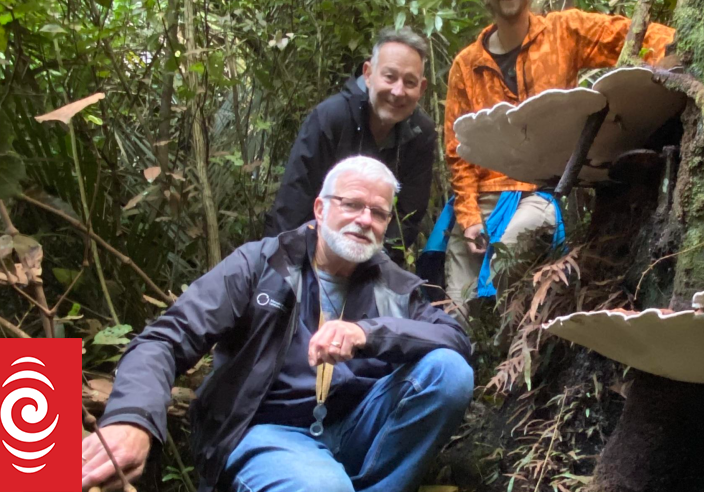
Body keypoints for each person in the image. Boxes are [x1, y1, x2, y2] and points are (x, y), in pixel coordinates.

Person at [82, 156, 473, 492]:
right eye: (351, 204)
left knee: (449, 372)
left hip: (355, 426)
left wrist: (367, 333)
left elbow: (454, 337)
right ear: (320, 209)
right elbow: (167, 338)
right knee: (323, 488)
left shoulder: (394, 285)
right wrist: (132, 418)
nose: (364, 220)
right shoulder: (262, 264)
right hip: (270, 429)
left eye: (378, 212)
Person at [435, 0, 675, 313]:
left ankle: (511, 344)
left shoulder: (563, 32)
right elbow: (456, 151)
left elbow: (640, 36)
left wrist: (673, 59)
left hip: (542, 191)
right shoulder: (467, 65)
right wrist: (466, 219)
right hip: (482, 199)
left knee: (508, 255)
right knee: (458, 308)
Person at [265, 28, 435, 265]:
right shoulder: (331, 118)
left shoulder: (421, 133)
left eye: (409, 82)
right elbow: (294, 203)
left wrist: (374, 265)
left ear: (422, 88)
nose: (398, 91)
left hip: (374, 257)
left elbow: (408, 216)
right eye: (389, 77)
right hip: (315, 253)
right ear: (368, 74)